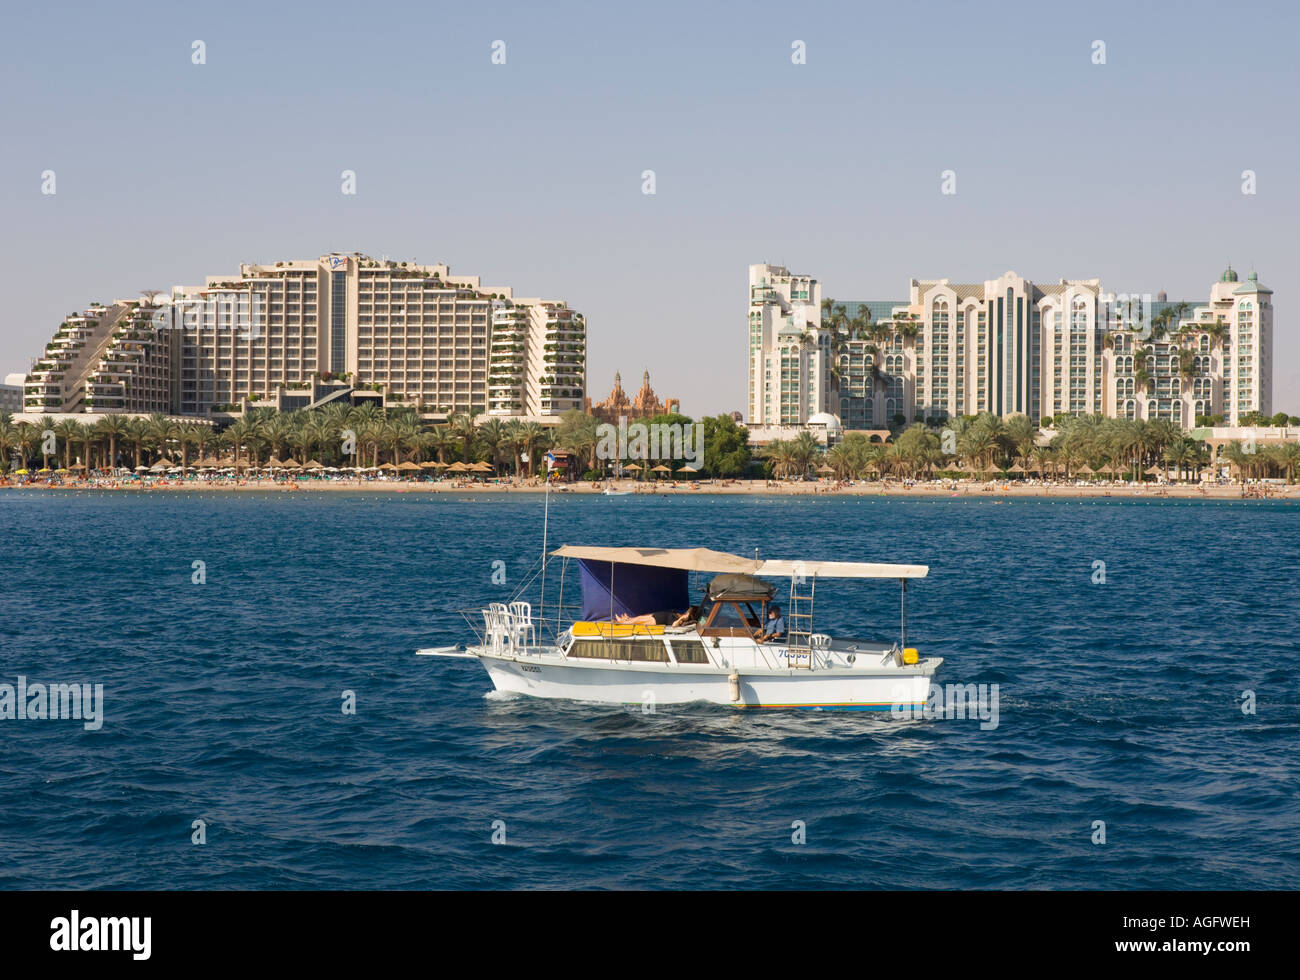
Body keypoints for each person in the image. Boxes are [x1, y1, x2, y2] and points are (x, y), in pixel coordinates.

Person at [615, 605, 700, 627]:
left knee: (638, 621)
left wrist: (683, 617)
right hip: (657, 616)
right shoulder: (681, 615)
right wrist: (689, 611)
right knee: (639, 617)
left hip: (658, 620)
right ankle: (626, 619)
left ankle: (622, 622)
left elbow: (674, 625)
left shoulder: (682, 620)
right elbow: (691, 608)